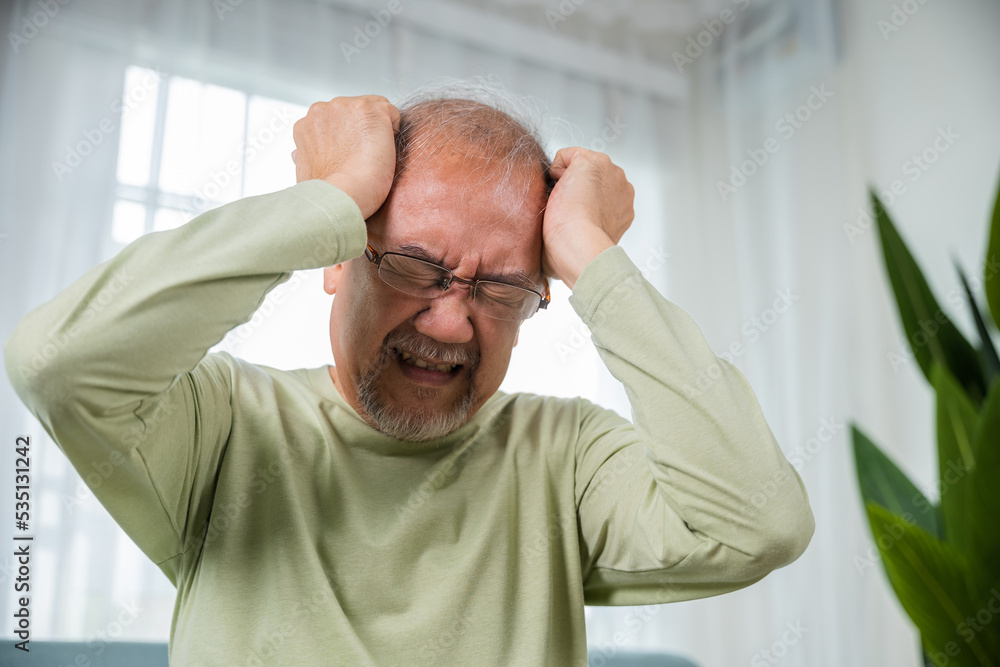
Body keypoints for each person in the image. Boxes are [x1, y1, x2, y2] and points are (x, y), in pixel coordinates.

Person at [4, 86, 814, 666]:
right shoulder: (223, 425)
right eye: (414, 267)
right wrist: (328, 198)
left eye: (499, 289)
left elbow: (760, 523)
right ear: (333, 259)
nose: (453, 322)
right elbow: (55, 362)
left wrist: (592, 255)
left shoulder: (565, 457)